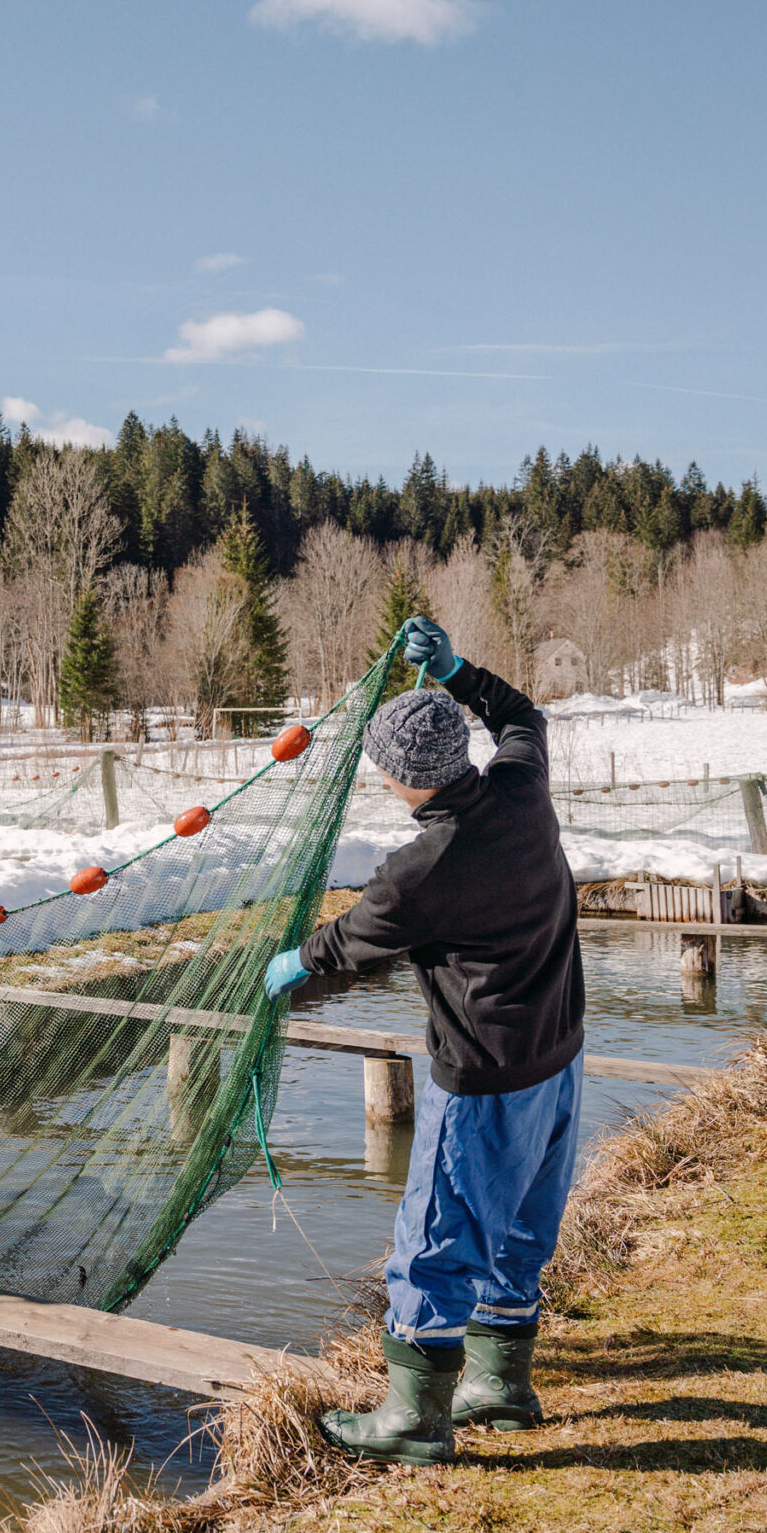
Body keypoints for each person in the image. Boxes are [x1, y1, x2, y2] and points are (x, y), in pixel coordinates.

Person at [262, 615, 582, 1464]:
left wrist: (292, 963)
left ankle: (412, 1419)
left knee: (435, 1237)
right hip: (558, 1058)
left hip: (479, 1078)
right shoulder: (520, 788)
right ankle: (502, 1385)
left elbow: (351, 946)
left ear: (399, 777)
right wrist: (461, 671)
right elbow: (525, 720)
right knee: (518, 1225)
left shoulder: (421, 870)